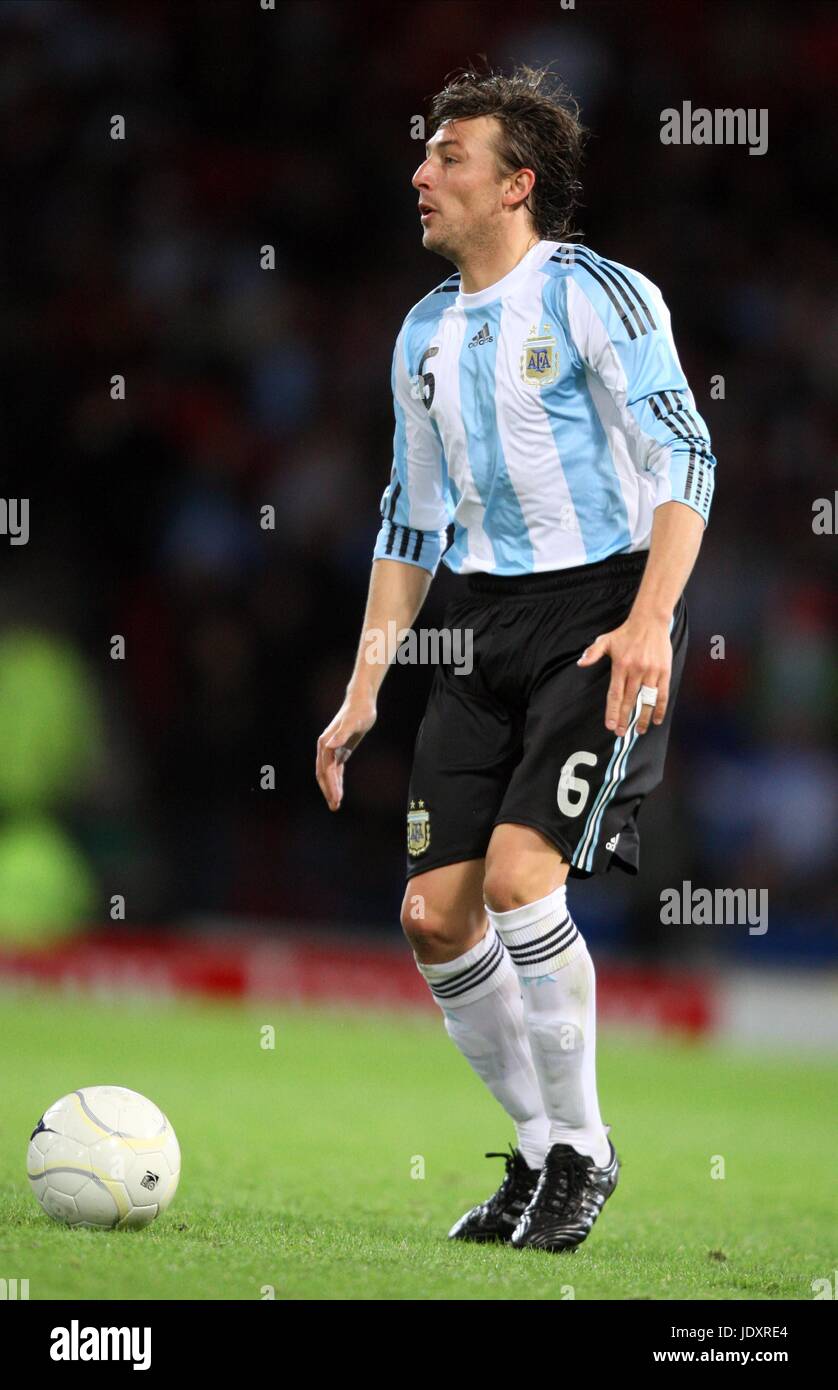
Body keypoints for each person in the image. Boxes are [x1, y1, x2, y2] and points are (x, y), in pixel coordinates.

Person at [315, 65, 716, 1252]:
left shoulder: (599, 294)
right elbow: (410, 520)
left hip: (600, 608)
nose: (420, 175)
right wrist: (363, 688)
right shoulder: (423, 333)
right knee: (434, 916)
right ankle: (540, 1150)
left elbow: (684, 458)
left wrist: (649, 621)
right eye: (425, 156)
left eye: (447, 157)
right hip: (480, 620)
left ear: (515, 184)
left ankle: (582, 1151)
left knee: (519, 877)